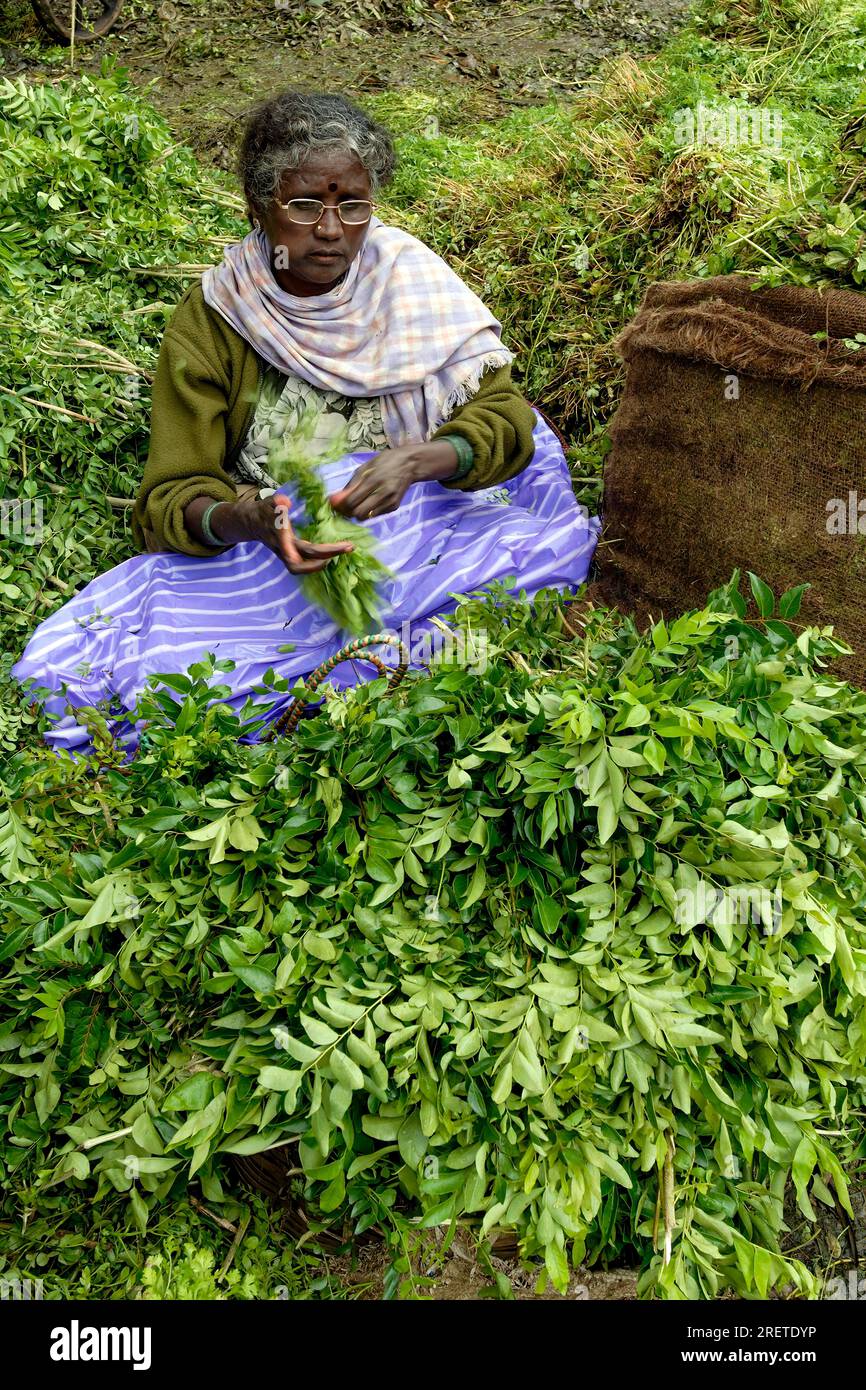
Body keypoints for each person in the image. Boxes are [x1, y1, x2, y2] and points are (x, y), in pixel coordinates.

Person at [14, 91, 600, 754]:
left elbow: (504, 417)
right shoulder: (215, 320)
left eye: (352, 205)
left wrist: (418, 462)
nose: (330, 229)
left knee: (527, 570)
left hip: (424, 520)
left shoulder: (409, 282)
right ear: (258, 208)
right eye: (303, 206)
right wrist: (255, 520)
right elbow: (170, 501)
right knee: (137, 672)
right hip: (276, 559)